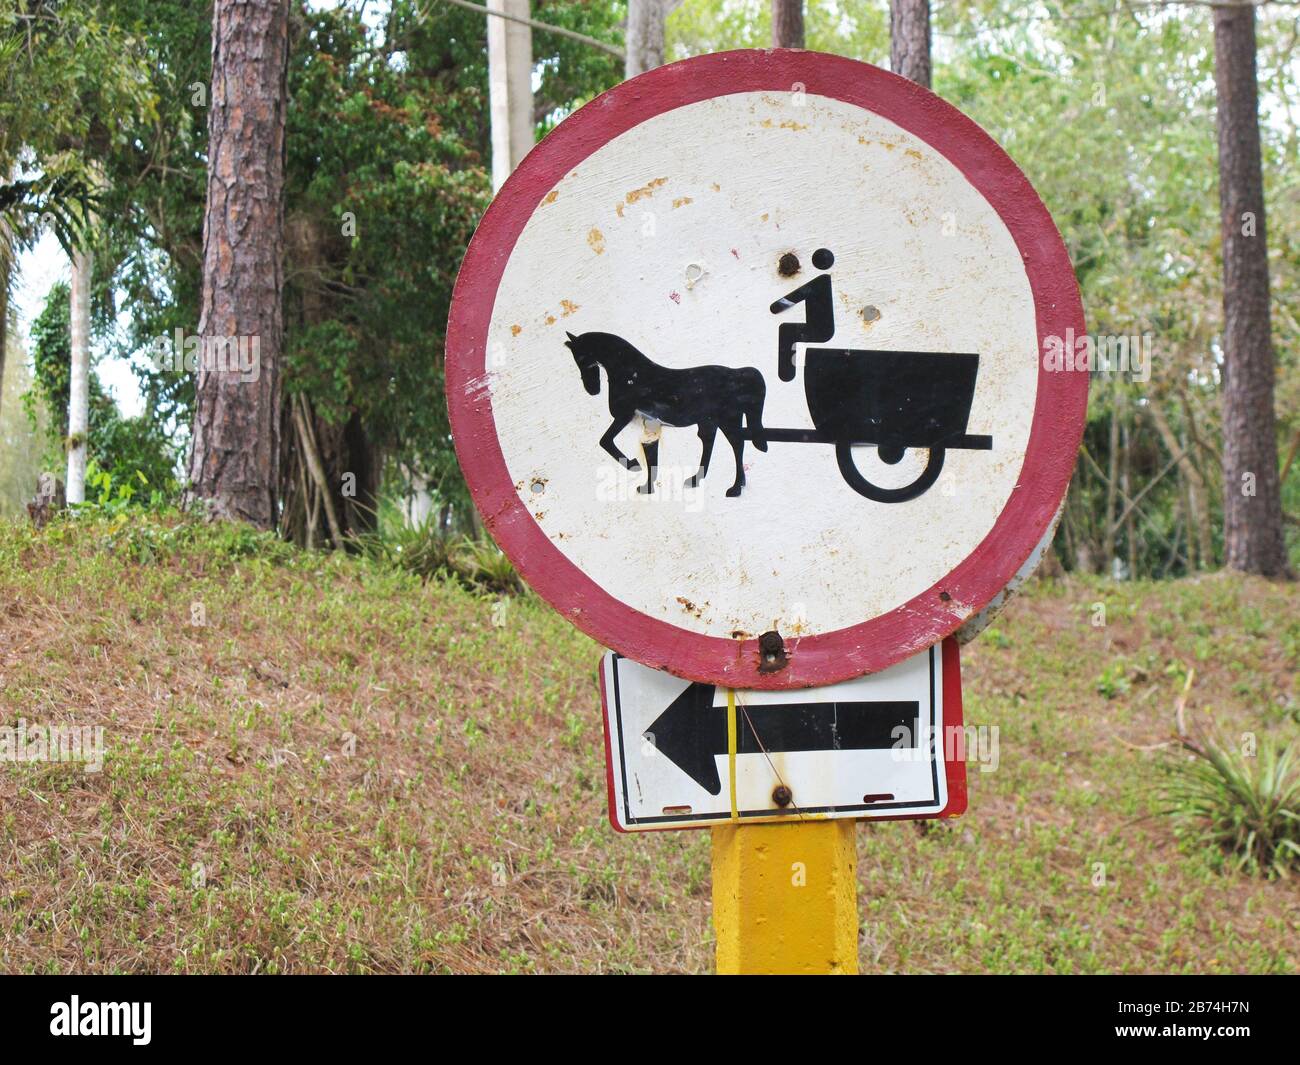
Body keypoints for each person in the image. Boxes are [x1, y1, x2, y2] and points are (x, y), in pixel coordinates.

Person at [769, 248, 836, 382]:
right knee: (788, 332)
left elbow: (792, 298)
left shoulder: (818, 282)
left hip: (820, 330)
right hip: (822, 331)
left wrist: (777, 306)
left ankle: (787, 375)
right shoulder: (822, 280)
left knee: (787, 331)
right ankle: (787, 376)